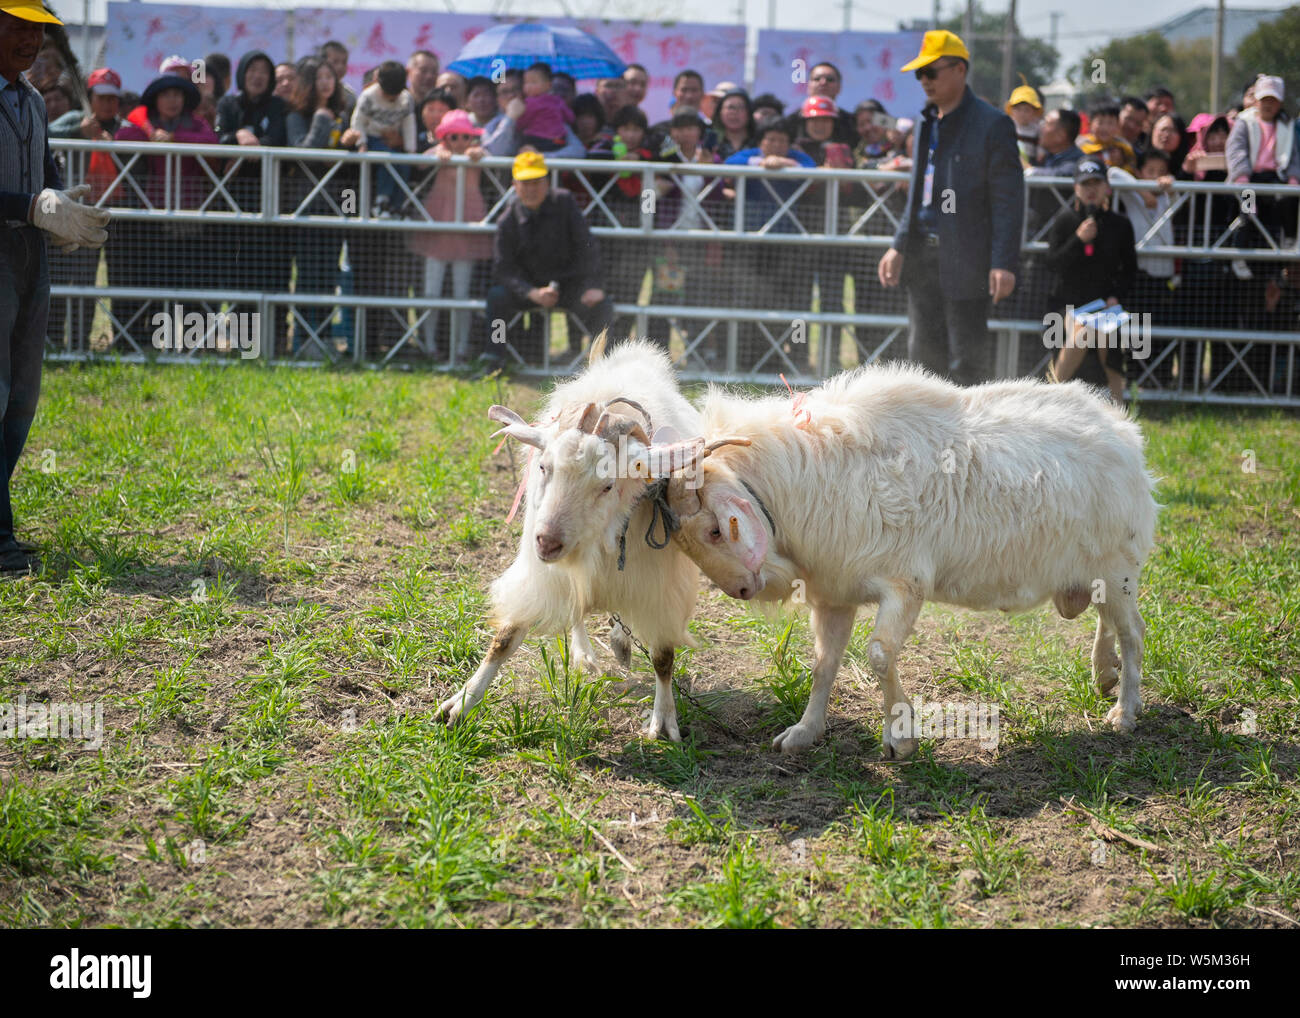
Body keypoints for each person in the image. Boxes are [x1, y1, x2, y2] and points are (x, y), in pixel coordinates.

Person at [1, 1, 109, 575]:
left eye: (37, 29)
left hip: (30, 255)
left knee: (22, 399)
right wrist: (31, 205)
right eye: (16, 25)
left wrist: (61, 205)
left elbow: (46, 171)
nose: (31, 39)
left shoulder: (35, 100)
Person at [877, 30, 1024, 386]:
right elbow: (919, 192)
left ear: (959, 69)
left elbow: (1009, 200)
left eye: (931, 71)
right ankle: (927, 439)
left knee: (966, 362)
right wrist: (899, 243)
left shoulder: (994, 124)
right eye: (919, 74)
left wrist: (1003, 262)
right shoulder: (927, 121)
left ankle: (972, 441)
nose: (924, 80)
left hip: (969, 258)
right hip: (921, 255)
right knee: (922, 361)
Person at [486, 151, 611, 366]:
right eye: (525, 182)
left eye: (536, 181)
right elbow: (503, 269)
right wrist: (531, 292)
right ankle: (495, 358)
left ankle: (603, 365)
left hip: (568, 286)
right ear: (514, 184)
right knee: (497, 297)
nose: (531, 188)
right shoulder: (507, 220)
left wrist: (593, 285)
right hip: (528, 290)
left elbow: (587, 246)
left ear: (547, 182)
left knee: (603, 305)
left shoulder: (565, 202)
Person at [725, 120, 816, 369]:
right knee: (751, 298)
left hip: (787, 243)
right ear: (760, 142)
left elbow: (811, 168)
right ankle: (748, 360)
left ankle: (795, 362)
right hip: (752, 243)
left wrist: (784, 164)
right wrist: (761, 163)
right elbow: (728, 165)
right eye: (771, 140)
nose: (776, 146)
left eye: (782, 141)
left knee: (791, 303)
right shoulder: (750, 155)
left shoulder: (796, 157)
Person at [214, 50, 290, 344]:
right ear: (242, 74)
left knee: (275, 272)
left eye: (264, 71)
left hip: (272, 201)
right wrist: (238, 136)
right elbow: (219, 136)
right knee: (237, 270)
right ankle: (241, 341)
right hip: (233, 202)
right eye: (252, 70)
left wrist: (255, 143)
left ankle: (275, 340)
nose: (258, 76)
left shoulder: (279, 106)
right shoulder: (228, 103)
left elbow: (281, 140)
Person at [1044, 159, 1137, 401]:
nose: (1091, 189)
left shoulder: (1121, 225)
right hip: (1068, 306)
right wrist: (1077, 240)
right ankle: (1052, 396)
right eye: (1085, 184)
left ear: (1107, 187)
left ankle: (1118, 408)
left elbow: (1129, 270)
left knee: (1109, 337)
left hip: (1106, 305)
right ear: (1076, 188)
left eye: (1097, 183)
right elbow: (1053, 264)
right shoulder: (1064, 221)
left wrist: (1116, 296)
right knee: (1082, 333)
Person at [47, 66, 122, 350]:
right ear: (90, 97)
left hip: (110, 213)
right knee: (63, 277)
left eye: (111, 98)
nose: (106, 103)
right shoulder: (75, 118)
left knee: (88, 281)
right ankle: (53, 341)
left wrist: (116, 145)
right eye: (100, 97)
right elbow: (47, 130)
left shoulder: (124, 128)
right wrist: (78, 130)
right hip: (73, 213)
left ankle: (80, 344)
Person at [408, 109, 492, 361]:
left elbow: (490, 157)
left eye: (464, 137)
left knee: (462, 295)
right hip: (438, 229)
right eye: (452, 137)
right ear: (444, 137)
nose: (458, 142)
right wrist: (437, 152)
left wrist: (479, 154)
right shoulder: (438, 153)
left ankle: (462, 348)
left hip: (467, 231)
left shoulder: (476, 155)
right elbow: (420, 161)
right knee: (431, 293)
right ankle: (429, 345)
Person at [285, 55, 350, 357]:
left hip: (335, 206)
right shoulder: (295, 115)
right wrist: (322, 121)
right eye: (319, 77)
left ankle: (322, 339)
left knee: (328, 275)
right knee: (308, 275)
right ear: (307, 84)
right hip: (306, 206)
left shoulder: (344, 113)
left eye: (330, 76)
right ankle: (303, 339)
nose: (326, 82)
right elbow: (304, 152)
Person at [648, 106, 721, 359]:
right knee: (664, 296)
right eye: (680, 127)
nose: (686, 133)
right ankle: (657, 356)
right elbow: (651, 197)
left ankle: (699, 355)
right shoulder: (665, 157)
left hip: (701, 239)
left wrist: (710, 171)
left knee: (698, 297)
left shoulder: (711, 157)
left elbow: (720, 196)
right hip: (672, 241)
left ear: (700, 131)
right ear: (672, 131)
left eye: (691, 127)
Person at [1109, 151, 1177, 387]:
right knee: (1138, 327)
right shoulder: (1134, 197)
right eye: (1150, 171)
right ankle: (1137, 377)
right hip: (1141, 272)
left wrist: (1169, 187)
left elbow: (1179, 196)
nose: (1156, 177)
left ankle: (1160, 378)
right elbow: (1113, 173)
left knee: (1159, 327)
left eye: (1161, 172)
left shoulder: (1170, 196)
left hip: (1164, 274)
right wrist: (1143, 191)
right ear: (1139, 174)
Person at [352, 60, 416, 218]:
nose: (391, 99)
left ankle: (396, 206)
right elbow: (358, 121)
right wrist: (362, 143)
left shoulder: (406, 99)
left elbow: (409, 124)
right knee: (388, 160)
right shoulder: (368, 96)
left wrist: (410, 149)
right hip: (372, 138)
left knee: (404, 166)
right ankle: (382, 202)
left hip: (394, 141)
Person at [780, 61, 855, 145]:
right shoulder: (790, 123)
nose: (823, 83)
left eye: (830, 79)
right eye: (817, 79)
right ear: (808, 86)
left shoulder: (851, 123)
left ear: (839, 87)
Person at [515, 62, 573, 153]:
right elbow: (570, 117)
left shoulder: (530, 102)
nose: (528, 86)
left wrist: (514, 123)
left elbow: (522, 121)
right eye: (526, 82)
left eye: (533, 82)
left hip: (537, 140)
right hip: (559, 140)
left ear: (548, 85)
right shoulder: (558, 100)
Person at [1078, 102, 1136, 174]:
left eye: (1110, 123)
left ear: (1118, 125)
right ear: (1090, 123)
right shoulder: (1081, 145)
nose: (1105, 128)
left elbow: (1132, 169)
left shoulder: (1124, 147)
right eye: (1100, 123)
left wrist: (1120, 165)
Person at [1005, 78, 1043, 168]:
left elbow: (1040, 149)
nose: (1022, 114)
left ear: (1034, 112)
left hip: (1031, 165)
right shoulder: (1007, 126)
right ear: (1011, 110)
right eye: (1018, 109)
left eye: (1027, 110)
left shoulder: (1038, 130)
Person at [714, 89, 754, 161]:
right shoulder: (712, 142)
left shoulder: (759, 143)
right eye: (730, 107)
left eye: (741, 107)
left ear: (749, 113)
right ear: (720, 112)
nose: (734, 112)